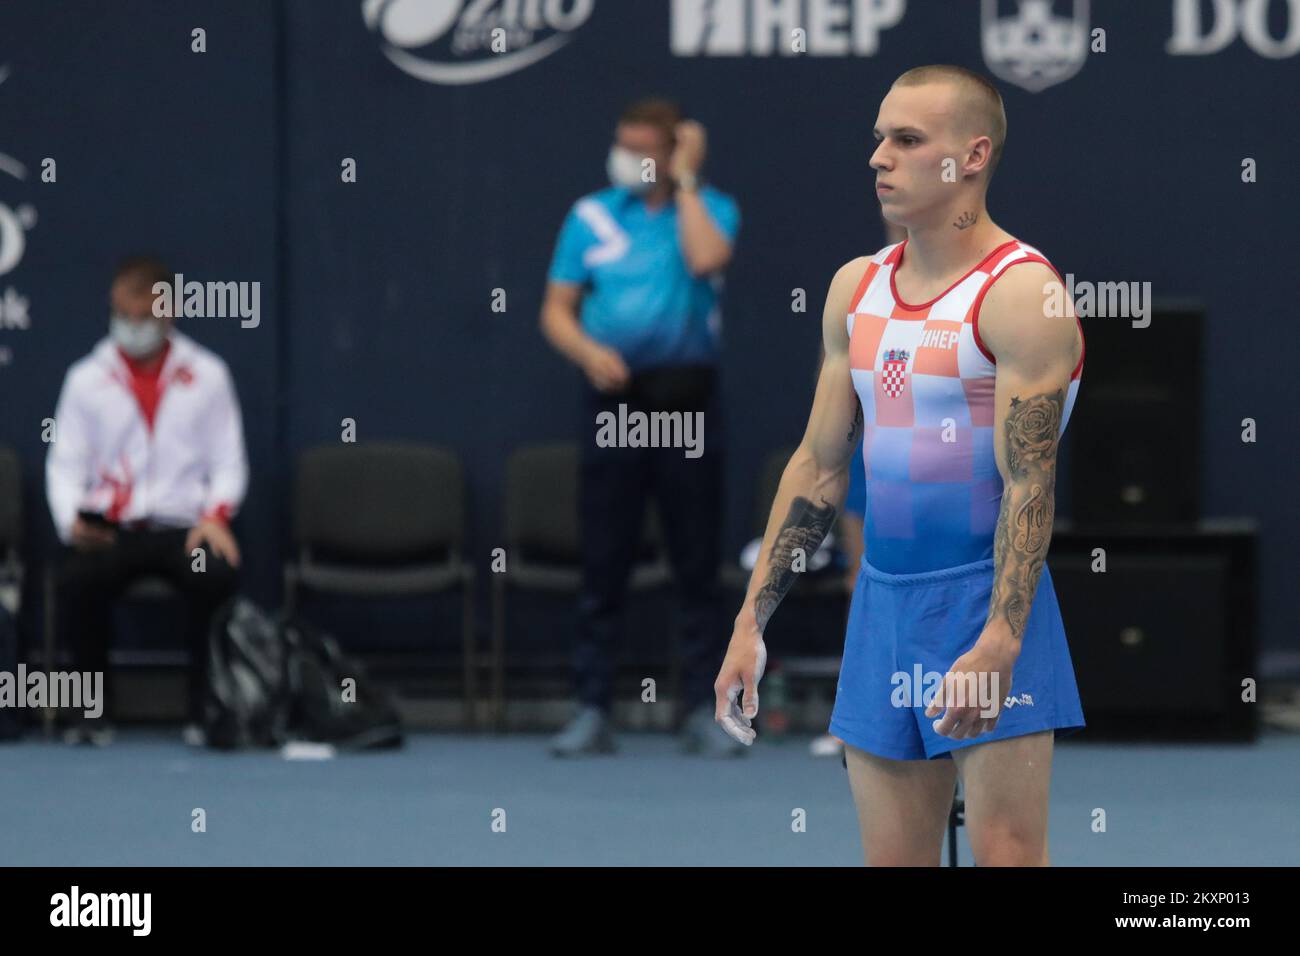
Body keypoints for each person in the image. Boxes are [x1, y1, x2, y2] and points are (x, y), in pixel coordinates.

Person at [714, 65, 1086, 865]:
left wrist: (999, 640)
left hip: (984, 602)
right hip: (883, 609)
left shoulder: (1021, 295)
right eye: (880, 137)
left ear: (972, 157)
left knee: (1008, 855)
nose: (879, 156)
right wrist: (751, 620)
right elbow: (818, 467)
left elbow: (1030, 484)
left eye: (908, 140)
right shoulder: (857, 289)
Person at [540, 97, 741, 756]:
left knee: (695, 565)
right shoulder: (589, 216)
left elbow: (709, 260)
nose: (627, 155)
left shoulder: (710, 208)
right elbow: (557, 311)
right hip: (616, 406)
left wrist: (685, 181)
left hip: (686, 404)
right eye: (621, 142)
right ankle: (591, 709)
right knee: (604, 561)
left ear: (674, 149)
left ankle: (705, 711)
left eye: (642, 146)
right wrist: (586, 351)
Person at [46, 255, 247, 746]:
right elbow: (65, 465)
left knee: (212, 572)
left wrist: (216, 516)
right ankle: (91, 712)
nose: (131, 328)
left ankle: (207, 707)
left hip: (185, 529)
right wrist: (73, 521)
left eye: (143, 318)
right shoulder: (85, 380)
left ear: (168, 313)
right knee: (77, 580)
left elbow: (228, 461)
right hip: (113, 531)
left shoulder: (208, 376)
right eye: (122, 316)